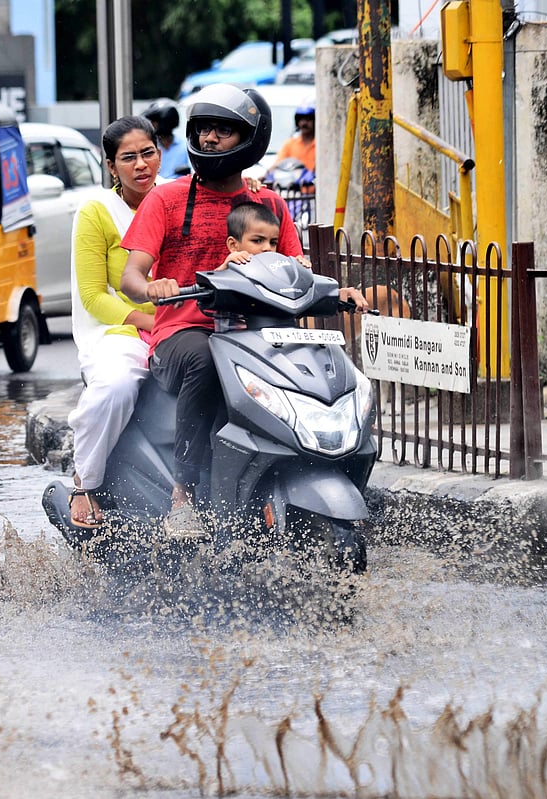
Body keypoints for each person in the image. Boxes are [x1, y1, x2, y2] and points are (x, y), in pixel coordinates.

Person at [120, 83, 367, 539]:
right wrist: (152, 285)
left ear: (250, 139)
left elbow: (296, 269)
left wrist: (339, 292)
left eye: (224, 131)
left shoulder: (268, 204)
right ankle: (185, 496)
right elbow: (130, 276)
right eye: (205, 129)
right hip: (185, 331)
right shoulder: (167, 199)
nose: (210, 139)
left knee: (326, 373)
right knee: (204, 362)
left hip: (259, 333)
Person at [64, 115, 162, 530]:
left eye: (148, 153)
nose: (141, 165)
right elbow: (93, 296)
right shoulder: (97, 212)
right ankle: (85, 481)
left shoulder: (177, 198)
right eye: (128, 158)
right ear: (110, 166)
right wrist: (145, 320)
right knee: (115, 387)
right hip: (119, 330)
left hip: (185, 323)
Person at [142, 98, 190, 178]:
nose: (151, 124)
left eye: (155, 121)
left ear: (166, 121)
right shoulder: (149, 148)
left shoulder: (185, 146)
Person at [268, 101, 316, 173]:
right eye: (301, 119)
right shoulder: (290, 144)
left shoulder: (320, 146)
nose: (304, 123)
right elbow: (278, 164)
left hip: (316, 184)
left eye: (308, 119)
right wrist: (266, 175)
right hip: (291, 183)